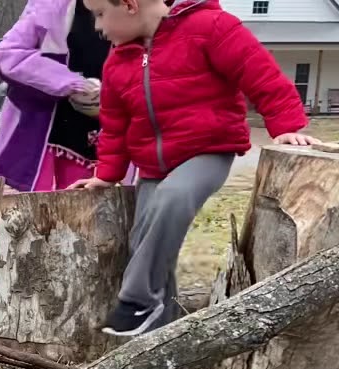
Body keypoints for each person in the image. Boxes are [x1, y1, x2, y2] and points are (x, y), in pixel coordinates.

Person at [70, 0, 316, 336]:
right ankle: (160, 331)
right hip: (153, 165)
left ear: (129, 5)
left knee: (173, 199)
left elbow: (259, 73)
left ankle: (136, 301)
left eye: (100, 14)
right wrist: (106, 174)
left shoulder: (210, 27)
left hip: (207, 151)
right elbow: (115, 126)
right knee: (144, 236)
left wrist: (286, 124)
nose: (97, 26)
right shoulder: (117, 61)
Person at [0, 0, 119, 192]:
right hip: (46, 138)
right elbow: (8, 55)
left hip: (114, 136)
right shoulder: (50, 4)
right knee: (47, 213)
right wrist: (70, 83)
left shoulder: (139, 6)